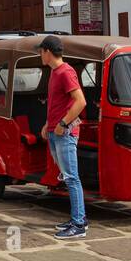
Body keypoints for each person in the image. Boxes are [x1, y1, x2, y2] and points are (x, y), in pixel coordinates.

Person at [38, 35, 88, 240]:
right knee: (67, 176)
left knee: (71, 177)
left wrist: (62, 124)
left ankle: (78, 224)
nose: (39, 55)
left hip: (65, 133)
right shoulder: (55, 72)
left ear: (48, 52)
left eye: (41, 51)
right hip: (55, 131)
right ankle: (78, 218)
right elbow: (58, 104)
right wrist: (47, 125)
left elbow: (80, 102)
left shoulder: (65, 72)